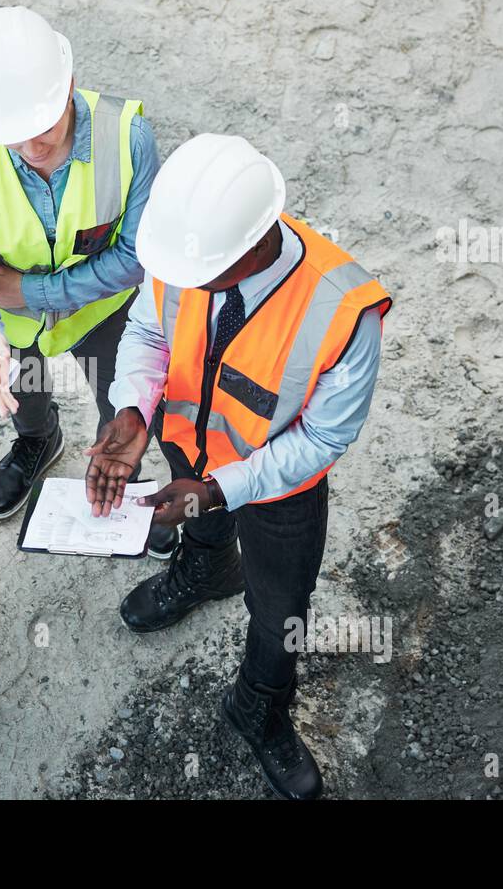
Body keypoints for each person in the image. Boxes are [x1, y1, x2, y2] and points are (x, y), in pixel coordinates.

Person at [85, 135, 392, 798]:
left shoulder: (343, 312)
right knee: (195, 515)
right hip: (187, 442)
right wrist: (133, 410)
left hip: (281, 490)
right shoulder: (186, 251)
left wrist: (221, 488)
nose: (179, 285)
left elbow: (322, 438)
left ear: (250, 248)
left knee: (281, 606)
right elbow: (146, 332)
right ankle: (206, 566)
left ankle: (260, 703)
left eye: (199, 277)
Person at [0, 5, 177, 557]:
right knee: (25, 391)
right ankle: (38, 441)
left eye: (40, 129)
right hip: (12, 322)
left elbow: (140, 258)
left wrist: (31, 292)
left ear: (68, 84)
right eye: (10, 138)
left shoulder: (129, 138)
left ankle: (120, 465)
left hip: (106, 309)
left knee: (125, 401)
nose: (30, 149)